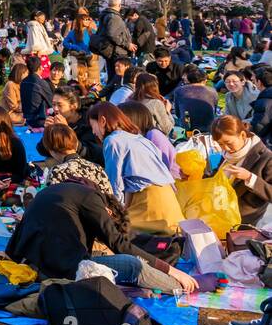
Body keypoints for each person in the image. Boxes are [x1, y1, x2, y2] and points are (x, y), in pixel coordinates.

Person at [6, 179, 196, 295]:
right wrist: (172, 271)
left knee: (105, 261)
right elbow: (120, 245)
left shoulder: (64, 192)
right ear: (109, 212)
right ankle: (181, 286)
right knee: (132, 264)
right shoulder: (92, 199)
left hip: (32, 261)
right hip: (59, 267)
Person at [89, 102, 183, 235]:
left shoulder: (112, 141)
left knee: (113, 233)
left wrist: (115, 214)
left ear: (102, 121)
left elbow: (115, 183)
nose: (93, 132)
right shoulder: (139, 138)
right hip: (169, 203)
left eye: (93, 126)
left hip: (149, 205)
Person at [207, 115, 272, 225]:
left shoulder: (266, 158)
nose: (225, 148)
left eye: (229, 143)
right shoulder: (226, 155)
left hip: (245, 220)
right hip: (218, 212)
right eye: (220, 144)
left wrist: (250, 178)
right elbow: (214, 178)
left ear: (242, 135)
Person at [41, 123, 113, 196]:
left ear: (51, 150)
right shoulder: (98, 168)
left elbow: (52, 203)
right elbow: (111, 199)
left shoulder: (57, 172)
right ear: (75, 144)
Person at [119, 100, 180, 179]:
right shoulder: (139, 139)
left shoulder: (153, 135)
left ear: (132, 120)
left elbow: (163, 169)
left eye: (121, 122)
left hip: (175, 184)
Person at [170, 65, 218, 133]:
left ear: (188, 79)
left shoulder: (179, 90)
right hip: (209, 126)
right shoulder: (212, 91)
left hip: (187, 127)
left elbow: (178, 113)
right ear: (204, 80)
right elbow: (214, 111)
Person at [94, 0, 136, 67]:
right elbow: (112, 35)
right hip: (116, 52)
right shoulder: (114, 17)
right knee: (118, 75)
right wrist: (127, 44)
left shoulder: (106, 15)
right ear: (119, 5)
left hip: (111, 50)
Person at [19, 54, 54, 128]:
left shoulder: (23, 82)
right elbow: (51, 101)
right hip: (39, 120)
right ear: (40, 68)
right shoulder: (41, 82)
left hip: (27, 119)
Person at [24, 11, 55, 78]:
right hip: (37, 52)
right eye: (42, 16)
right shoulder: (34, 26)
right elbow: (35, 39)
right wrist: (38, 50)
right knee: (40, 70)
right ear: (35, 17)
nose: (44, 18)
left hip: (39, 51)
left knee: (43, 70)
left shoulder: (39, 25)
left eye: (44, 16)